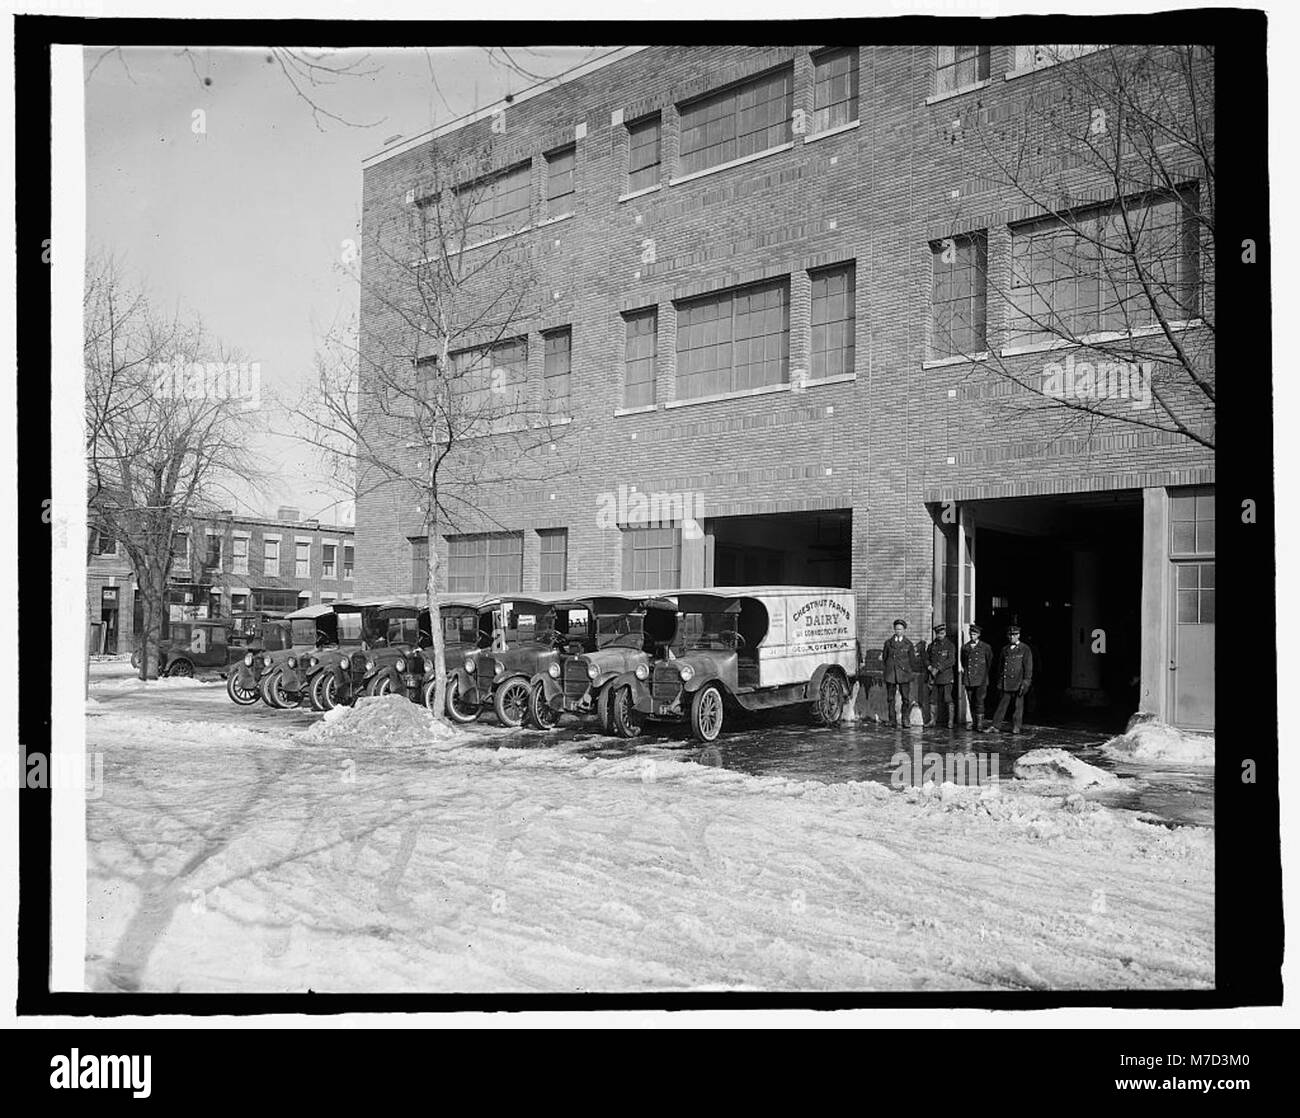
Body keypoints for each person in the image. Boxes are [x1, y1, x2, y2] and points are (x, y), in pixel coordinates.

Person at [988, 624, 1033, 734]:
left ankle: (1016, 726)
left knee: (1018, 707)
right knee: (1001, 705)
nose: (1012, 637)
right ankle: (995, 726)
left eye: (1014, 635)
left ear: (1018, 635)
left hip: (1018, 682)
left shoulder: (1025, 649)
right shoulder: (1005, 649)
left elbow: (1028, 667)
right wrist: (1000, 681)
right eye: (1010, 635)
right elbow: (1001, 667)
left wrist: (1026, 682)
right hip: (1006, 682)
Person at [960, 623, 994, 731]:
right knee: (971, 701)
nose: (972, 636)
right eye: (971, 634)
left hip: (981, 679)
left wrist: (983, 673)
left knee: (979, 701)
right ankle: (974, 722)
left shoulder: (985, 647)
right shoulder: (965, 647)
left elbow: (989, 662)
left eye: (974, 634)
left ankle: (979, 724)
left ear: (978, 635)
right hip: (969, 679)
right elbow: (963, 661)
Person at [881, 619, 914, 728]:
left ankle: (905, 719)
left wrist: (907, 671)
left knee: (905, 698)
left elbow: (912, 660)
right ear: (894, 629)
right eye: (896, 629)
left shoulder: (908, 644)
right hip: (891, 674)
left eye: (900, 629)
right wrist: (889, 669)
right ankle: (892, 720)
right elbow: (885, 658)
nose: (898, 631)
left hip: (904, 674)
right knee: (890, 698)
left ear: (904, 630)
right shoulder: (888, 643)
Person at [926, 622, 957, 728]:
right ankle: (932, 720)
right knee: (933, 699)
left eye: (942, 633)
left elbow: (952, 660)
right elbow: (926, 659)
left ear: (945, 633)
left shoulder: (950, 645)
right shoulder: (932, 646)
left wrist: (938, 668)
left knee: (948, 699)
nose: (940, 635)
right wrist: (929, 667)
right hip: (933, 677)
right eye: (938, 634)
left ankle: (950, 721)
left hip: (946, 677)